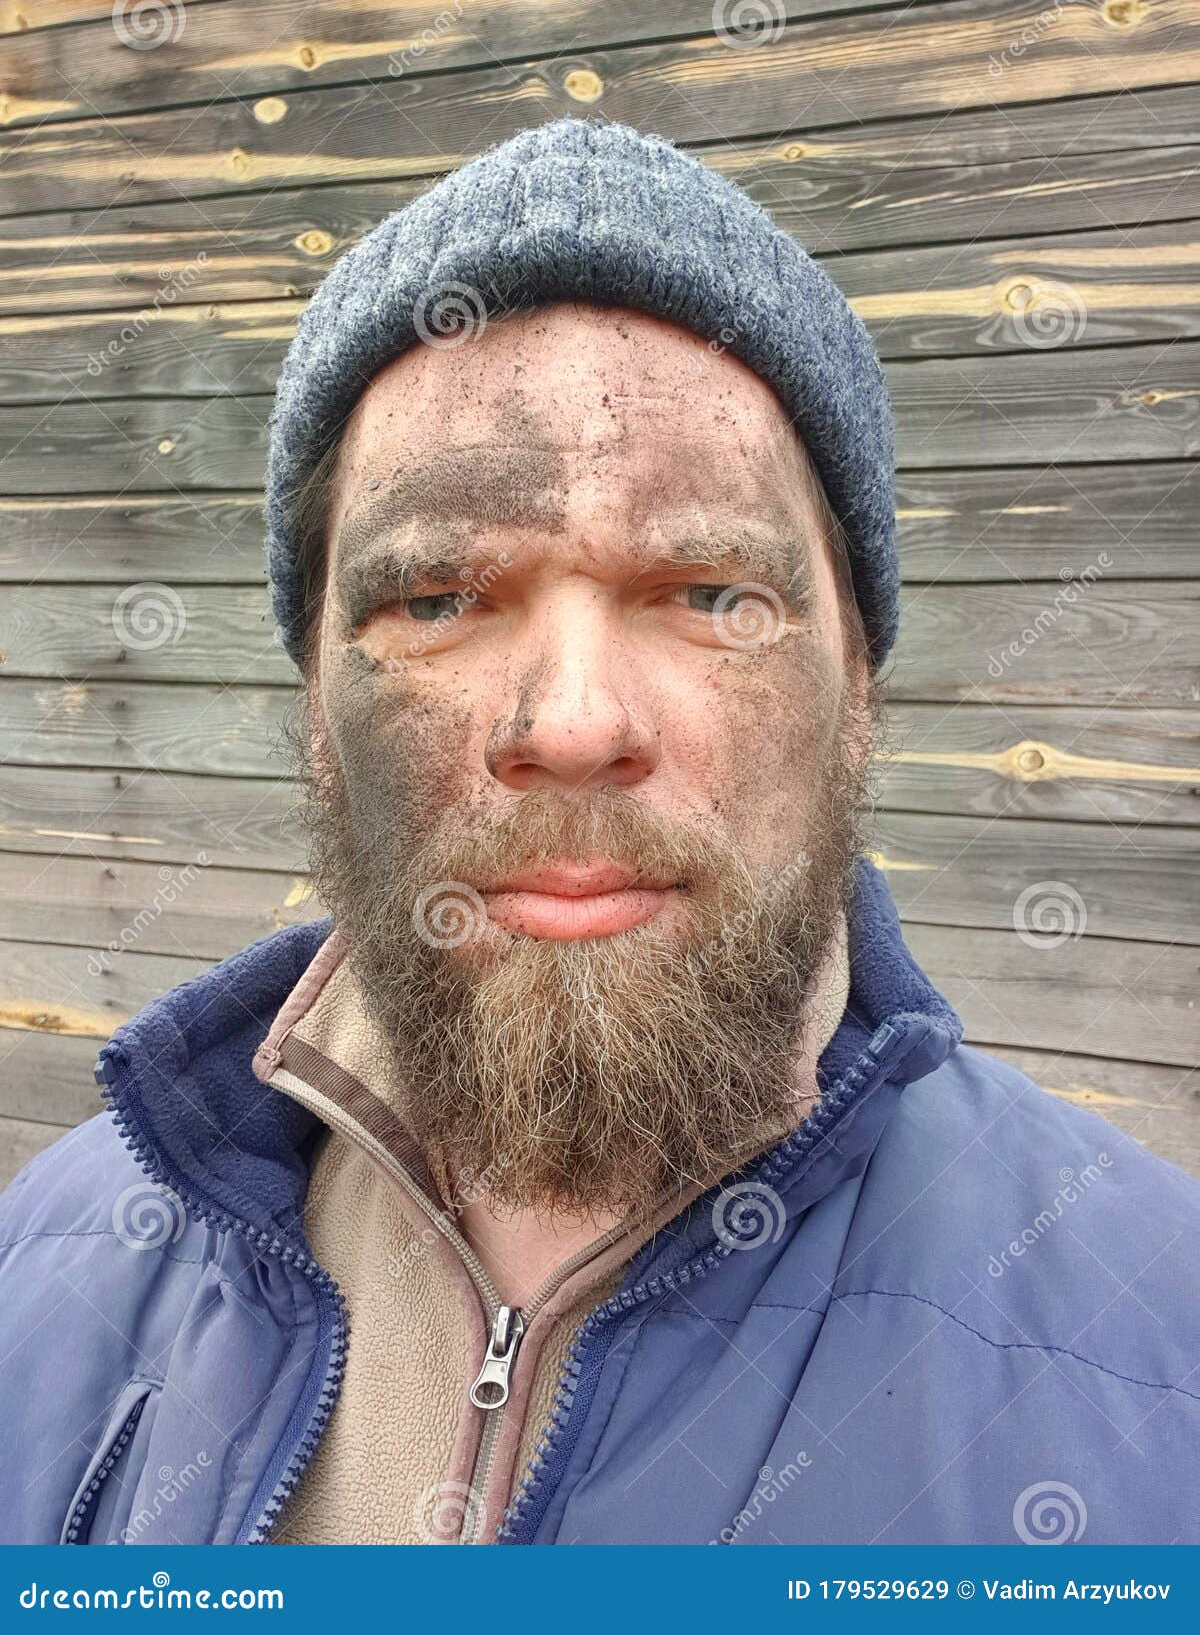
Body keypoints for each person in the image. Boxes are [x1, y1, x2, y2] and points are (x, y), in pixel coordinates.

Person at [1, 119, 1196, 1548]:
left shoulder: (1159, 1353)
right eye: (436, 599)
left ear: (859, 688)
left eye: (707, 592)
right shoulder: (50, 1266)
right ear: (316, 703)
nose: (570, 723)